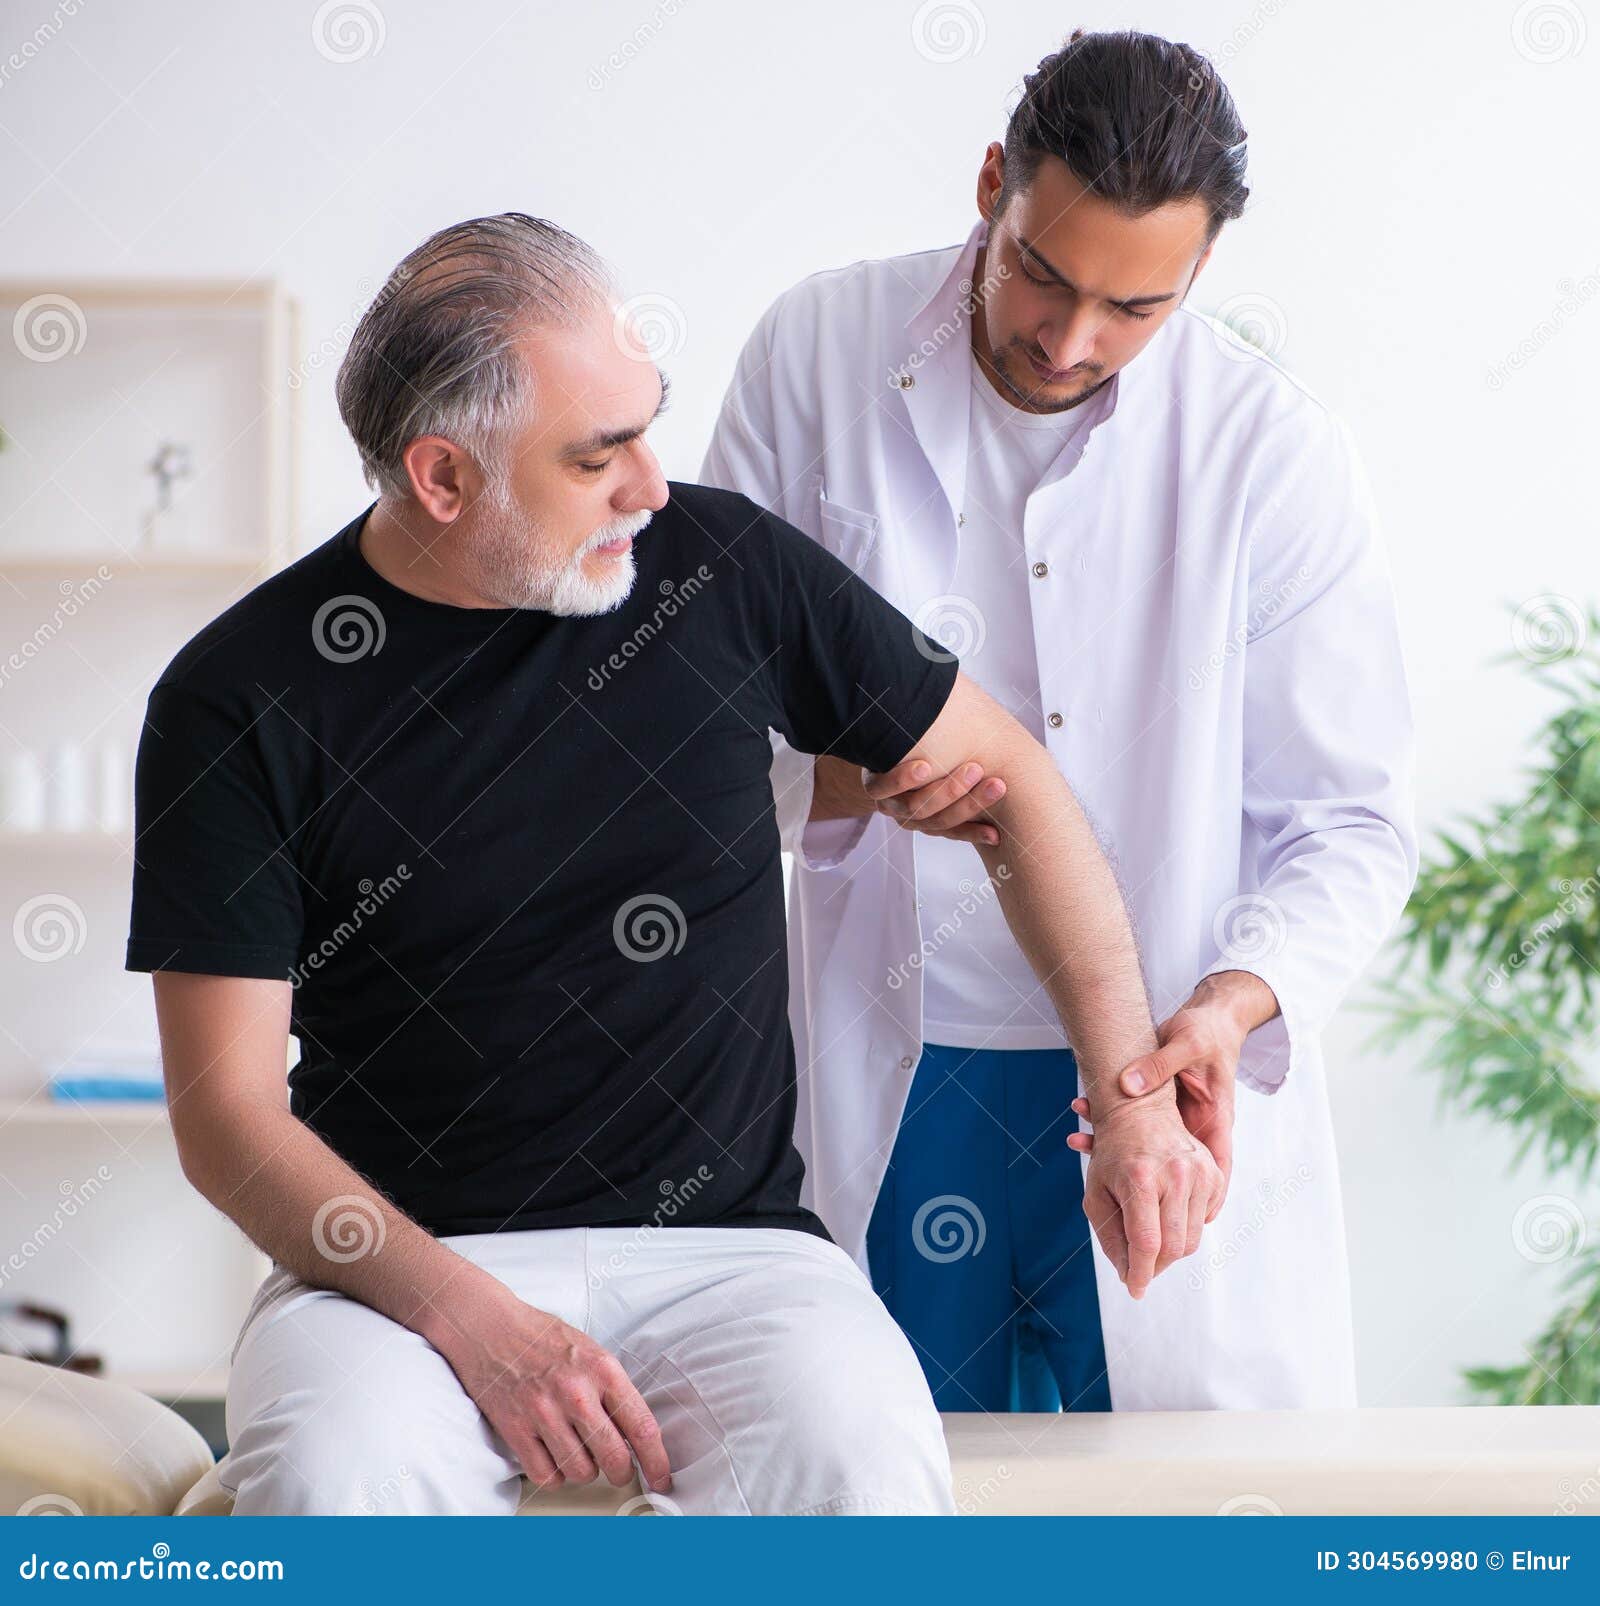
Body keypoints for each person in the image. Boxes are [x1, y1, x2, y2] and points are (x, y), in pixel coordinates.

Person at [125, 213, 1214, 1516]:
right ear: (443, 477)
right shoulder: (243, 692)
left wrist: (1133, 1099)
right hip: (398, 1267)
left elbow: (1015, 784)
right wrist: (469, 1314)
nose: (652, 481)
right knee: (336, 1478)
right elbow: (227, 1116)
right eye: (597, 457)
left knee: (861, 1459)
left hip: (733, 1257)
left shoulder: (720, 566)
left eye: (649, 424)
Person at [701, 29, 1417, 1415]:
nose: (1072, 339)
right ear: (992, 187)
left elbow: (1350, 823)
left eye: (1135, 307)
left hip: (1155, 1083)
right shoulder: (815, 355)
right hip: (904, 1072)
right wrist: (859, 776)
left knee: (1167, 1522)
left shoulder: (1271, 453)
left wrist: (1236, 998)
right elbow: (702, 732)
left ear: (1197, 276)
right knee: (904, 1490)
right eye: (1044, 272)